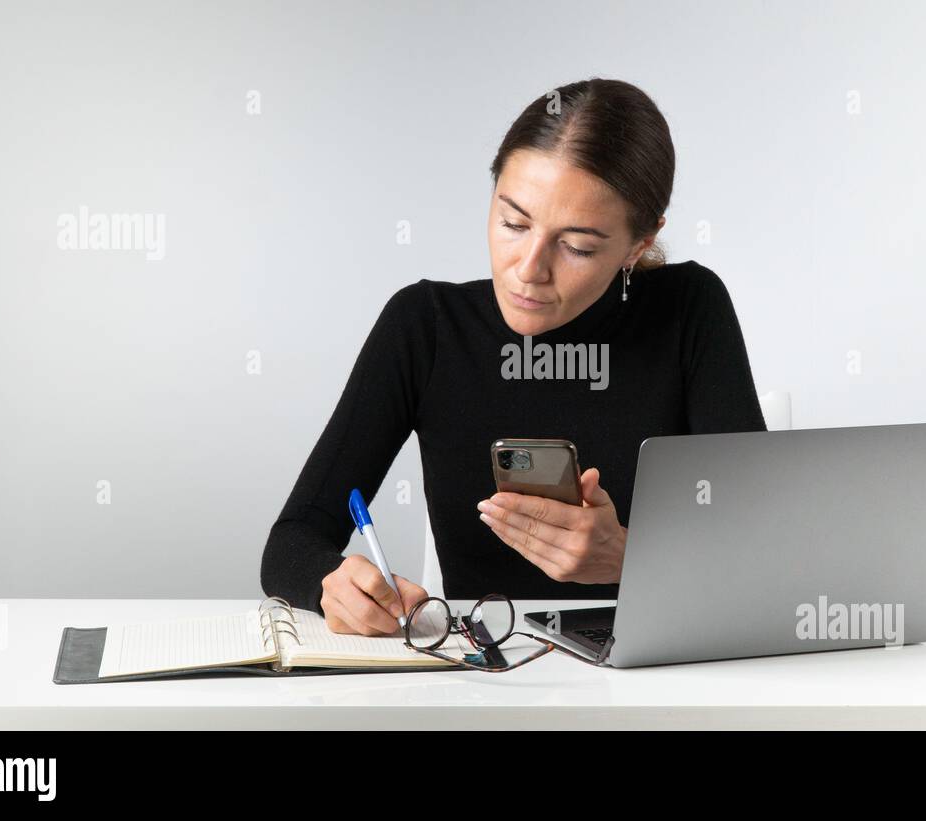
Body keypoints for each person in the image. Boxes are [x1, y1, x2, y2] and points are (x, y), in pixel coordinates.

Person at [260, 77, 766, 636]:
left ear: (639, 245)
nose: (529, 268)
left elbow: (765, 553)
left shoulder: (689, 307)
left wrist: (632, 557)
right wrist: (331, 583)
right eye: (513, 222)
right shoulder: (425, 324)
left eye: (577, 246)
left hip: (656, 677)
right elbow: (291, 541)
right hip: (485, 679)